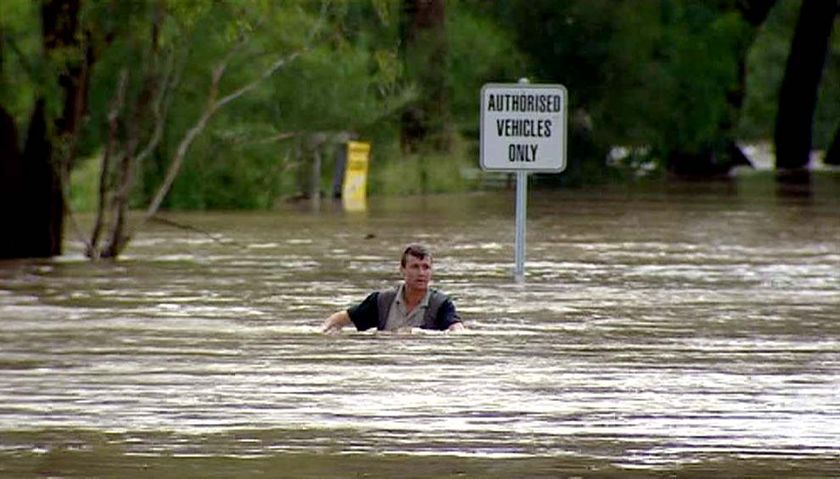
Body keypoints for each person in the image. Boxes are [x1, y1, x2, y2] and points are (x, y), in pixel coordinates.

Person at [322, 243, 465, 333]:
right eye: (415, 267)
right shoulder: (381, 301)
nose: (421, 273)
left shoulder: (441, 304)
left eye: (426, 267)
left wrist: (458, 334)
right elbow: (340, 318)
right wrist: (323, 333)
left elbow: (456, 327)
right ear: (402, 269)